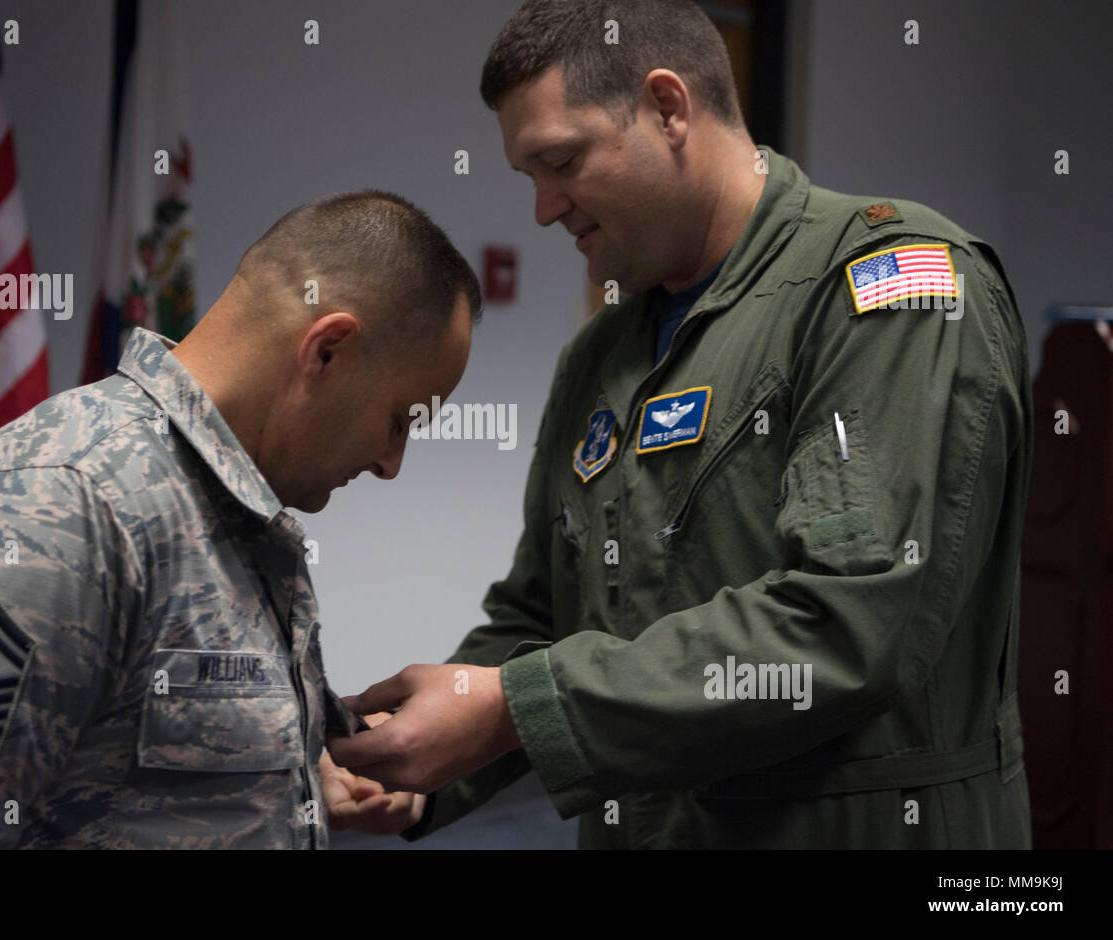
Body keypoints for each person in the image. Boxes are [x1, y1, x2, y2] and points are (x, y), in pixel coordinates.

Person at [324, 0, 1034, 848]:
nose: (545, 208)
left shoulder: (890, 290)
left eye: (561, 161)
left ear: (668, 108)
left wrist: (514, 708)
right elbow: (541, 617)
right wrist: (426, 766)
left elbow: (847, 626)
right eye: (529, 177)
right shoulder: (600, 356)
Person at [0, 190, 480, 849]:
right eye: (401, 420)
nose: (392, 463)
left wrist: (298, 782)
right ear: (327, 350)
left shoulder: (236, 512)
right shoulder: (60, 509)